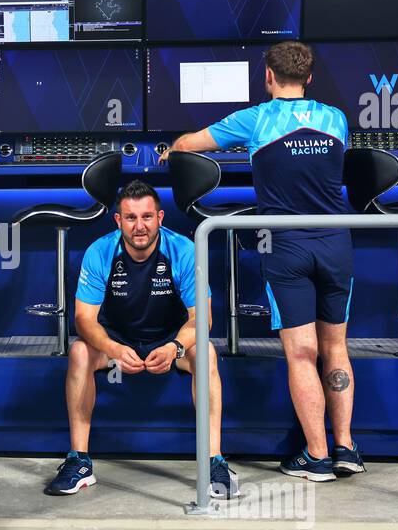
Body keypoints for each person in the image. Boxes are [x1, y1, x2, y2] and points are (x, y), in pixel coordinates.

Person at [162, 40, 361, 482]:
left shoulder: (255, 119)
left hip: (287, 245)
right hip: (336, 242)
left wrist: (170, 151)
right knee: (335, 348)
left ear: (267, 76)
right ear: (309, 79)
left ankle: (317, 456)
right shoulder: (337, 119)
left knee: (301, 353)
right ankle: (346, 447)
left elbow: (188, 144)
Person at [49, 180, 232, 499]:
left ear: (160, 217)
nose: (139, 226)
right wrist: (113, 348)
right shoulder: (100, 251)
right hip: (117, 342)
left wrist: (175, 347)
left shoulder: (184, 250)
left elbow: (201, 318)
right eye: (131, 218)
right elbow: (84, 320)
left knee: (205, 352)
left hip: (169, 343)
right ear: (118, 220)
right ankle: (79, 461)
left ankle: (213, 460)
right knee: (79, 352)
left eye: (147, 217)